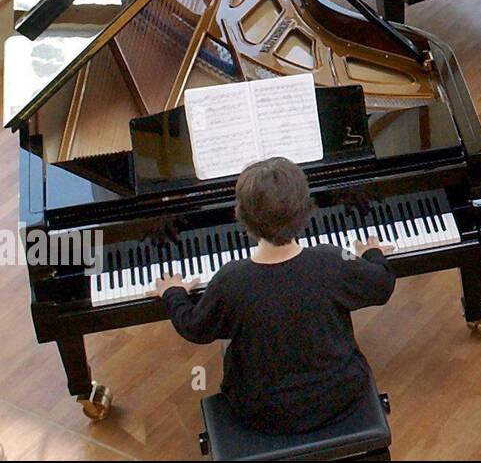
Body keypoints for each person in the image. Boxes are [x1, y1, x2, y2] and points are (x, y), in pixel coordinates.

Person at [152, 157, 396, 434]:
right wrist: (371, 254)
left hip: (263, 412)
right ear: (306, 209)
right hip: (341, 396)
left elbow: (195, 327)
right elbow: (383, 284)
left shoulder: (231, 281)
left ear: (240, 216)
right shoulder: (331, 260)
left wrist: (173, 293)